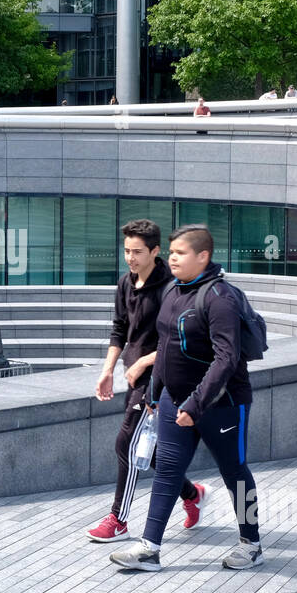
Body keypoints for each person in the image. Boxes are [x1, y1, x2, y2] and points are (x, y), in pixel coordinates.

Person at [109, 225, 263, 572]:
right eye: (172, 252)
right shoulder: (174, 292)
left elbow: (226, 359)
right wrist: (154, 393)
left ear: (203, 256)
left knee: (234, 471)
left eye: (180, 253)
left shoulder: (219, 297)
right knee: (166, 469)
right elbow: (165, 346)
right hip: (172, 401)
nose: (173, 258)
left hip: (222, 405)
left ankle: (251, 543)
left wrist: (195, 405)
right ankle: (149, 548)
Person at [88, 220, 205, 543]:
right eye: (126, 251)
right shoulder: (126, 283)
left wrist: (143, 361)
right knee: (149, 452)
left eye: (137, 251)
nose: (130, 257)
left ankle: (119, 520)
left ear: (155, 251)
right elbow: (119, 330)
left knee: (125, 444)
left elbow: (179, 339)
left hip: (161, 378)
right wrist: (108, 370)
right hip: (134, 377)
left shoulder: (171, 286)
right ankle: (192, 494)